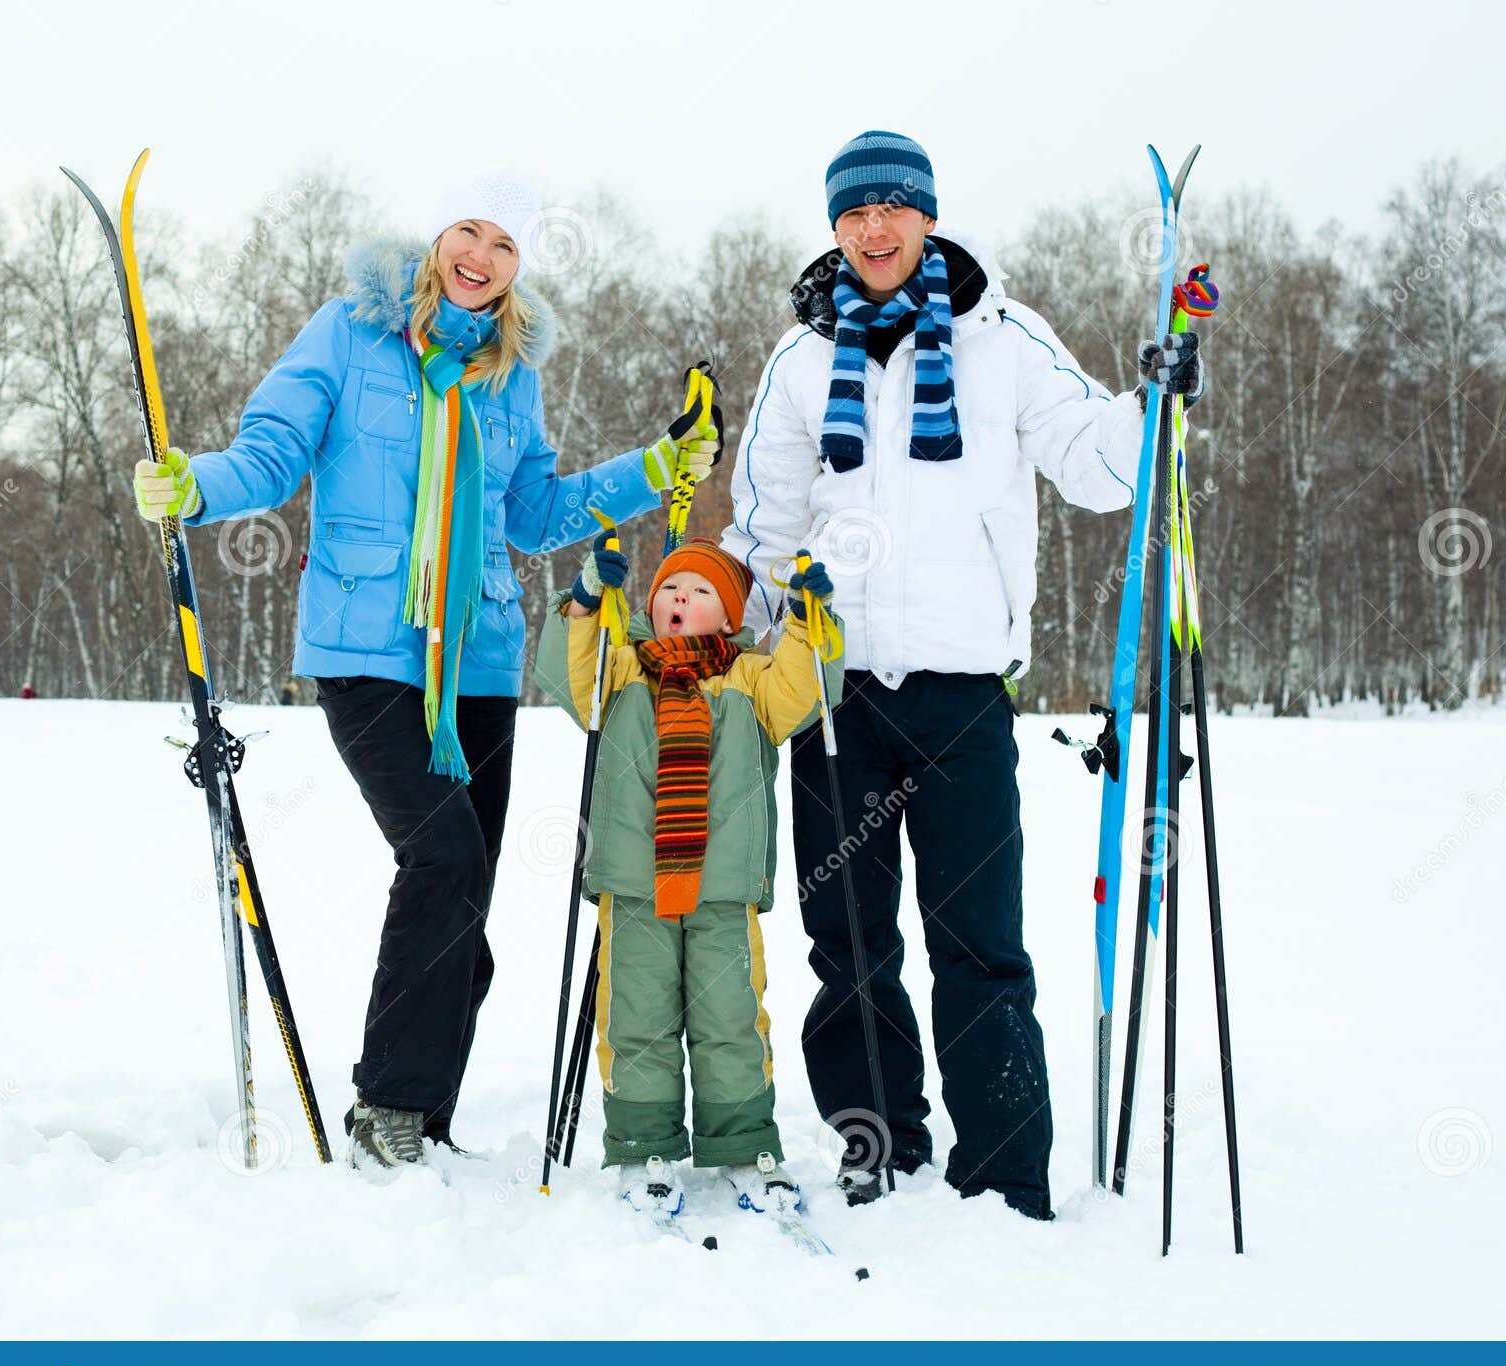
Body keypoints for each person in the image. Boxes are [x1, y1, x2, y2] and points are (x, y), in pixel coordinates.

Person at [130, 172, 719, 1172]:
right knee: (442, 859)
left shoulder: (511, 373)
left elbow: (530, 513)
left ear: (520, 266)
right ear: (438, 231)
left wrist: (649, 471)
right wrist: (194, 487)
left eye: (505, 244)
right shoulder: (348, 333)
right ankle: (388, 1108)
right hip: (367, 654)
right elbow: (272, 454)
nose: (480, 256)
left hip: (479, 660)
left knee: (465, 894)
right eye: (468, 230)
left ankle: (424, 1122)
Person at [720, 131, 1202, 1219]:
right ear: (834, 227)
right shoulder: (800, 362)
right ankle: (873, 1137)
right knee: (845, 938)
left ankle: (1003, 1165)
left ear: (927, 216)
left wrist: (1156, 405)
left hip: (964, 694)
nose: (874, 229)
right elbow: (764, 527)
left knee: (978, 940)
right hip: (833, 695)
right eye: (853, 213)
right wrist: (707, 658)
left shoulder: (1005, 338)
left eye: (893, 208)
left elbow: (1094, 467)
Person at [533, 536, 840, 1218]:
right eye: (671, 588)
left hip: (723, 886)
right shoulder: (622, 668)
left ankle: (745, 1145)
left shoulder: (749, 676)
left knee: (731, 1017)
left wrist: (802, 618)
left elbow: (804, 691)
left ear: (729, 617)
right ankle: (642, 1144)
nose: (681, 598)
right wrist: (584, 603)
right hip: (635, 880)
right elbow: (567, 679)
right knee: (635, 1014)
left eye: (701, 592)